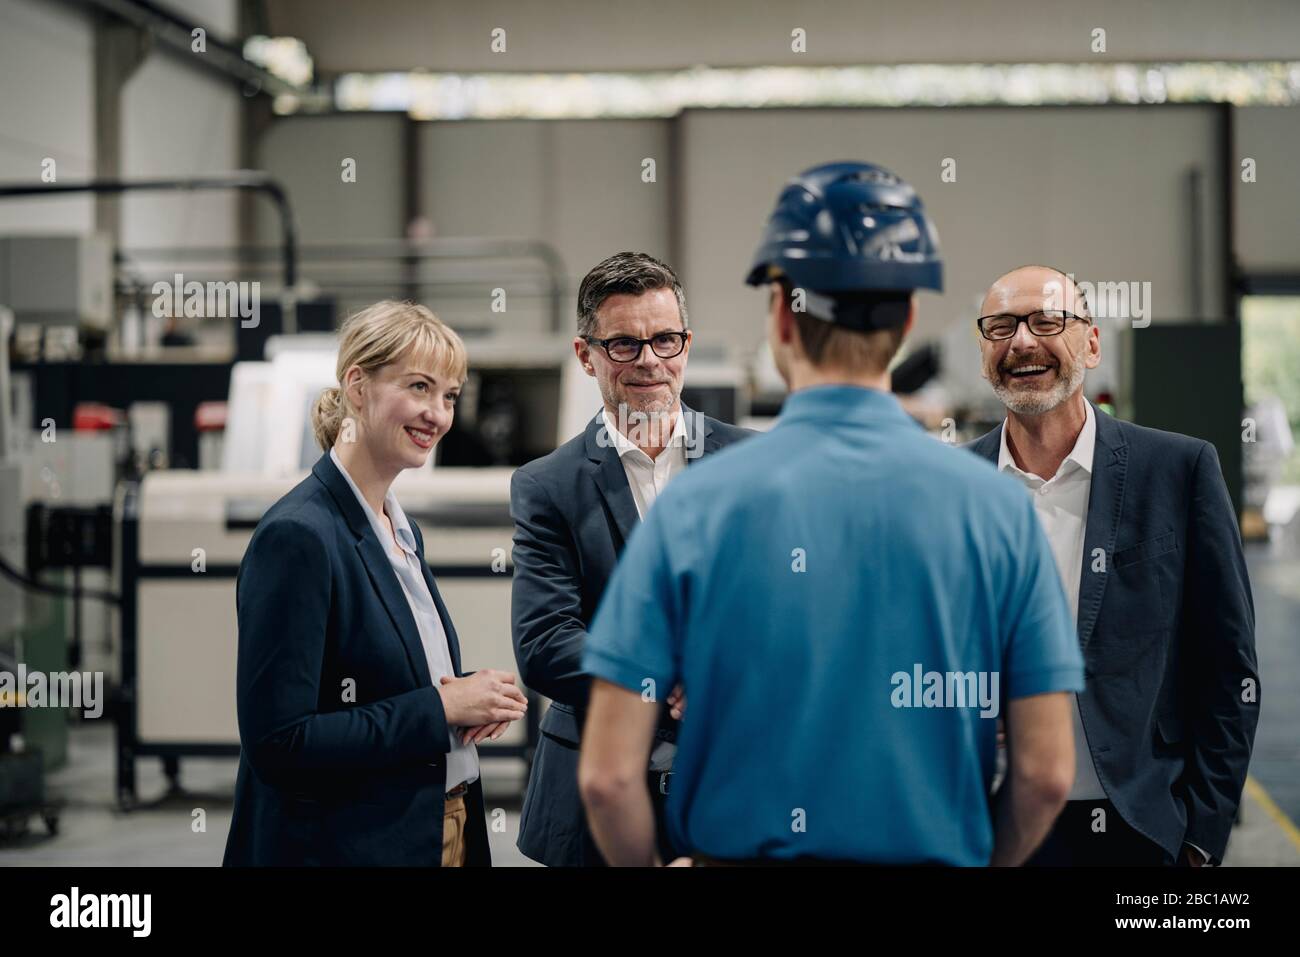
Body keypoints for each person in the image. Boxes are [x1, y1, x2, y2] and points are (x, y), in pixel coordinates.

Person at [577, 162, 1082, 866]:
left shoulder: (694, 503)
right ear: (906, 320)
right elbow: (1046, 770)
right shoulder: (995, 507)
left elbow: (605, 777)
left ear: (782, 314)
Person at [966, 265, 1260, 866]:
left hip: (1140, 830)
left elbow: (1230, 673)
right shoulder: (949, 487)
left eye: (1047, 321)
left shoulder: (1178, 471)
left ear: (1091, 343)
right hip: (988, 828)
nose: (1021, 342)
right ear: (984, 350)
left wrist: (1202, 837)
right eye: (1001, 327)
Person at [223, 300, 528, 867]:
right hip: (349, 845)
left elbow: (376, 686)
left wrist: (466, 697)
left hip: (437, 824)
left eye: (450, 395)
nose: (437, 413)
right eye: (419, 387)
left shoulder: (394, 524)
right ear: (358, 387)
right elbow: (280, 743)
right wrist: (441, 707)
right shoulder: (299, 536)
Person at [510, 251, 752, 866]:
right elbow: (545, 643)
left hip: (734, 782)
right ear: (585, 354)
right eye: (623, 344)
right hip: (593, 800)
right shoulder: (548, 485)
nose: (649, 360)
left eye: (664, 340)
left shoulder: (752, 467)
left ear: (686, 345)